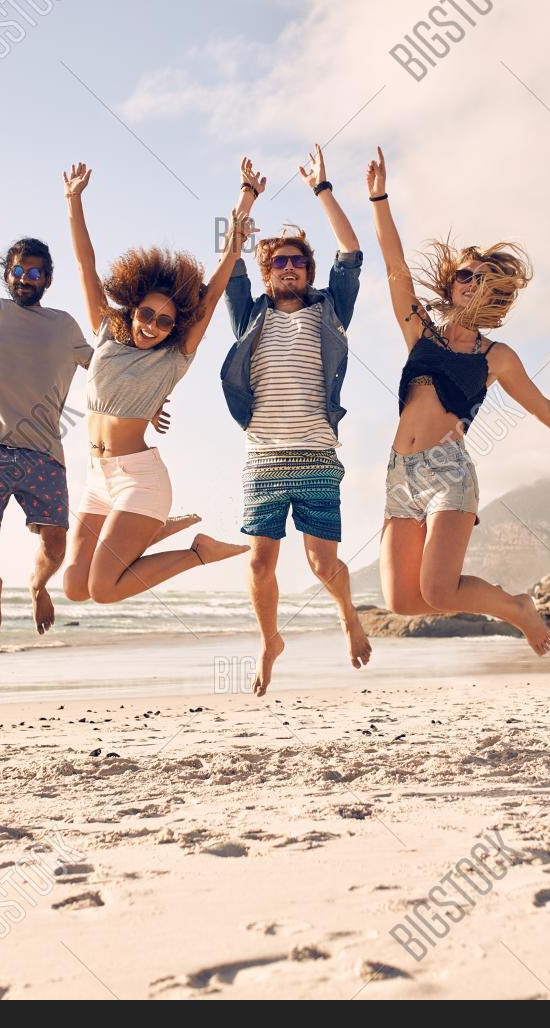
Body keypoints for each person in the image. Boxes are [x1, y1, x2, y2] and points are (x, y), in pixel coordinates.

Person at [364, 147, 550, 654]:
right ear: (452, 284)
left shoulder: (495, 357)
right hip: (399, 472)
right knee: (403, 602)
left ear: (493, 293)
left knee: (438, 590)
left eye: (481, 278)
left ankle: (516, 608)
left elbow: (541, 407)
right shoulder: (420, 334)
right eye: (464, 275)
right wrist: (379, 198)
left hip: (448, 472)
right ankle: (512, 602)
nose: (470, 283)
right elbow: (394, 265)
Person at [0, 182, 198, 637]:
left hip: (44, 454)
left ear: (47, 280)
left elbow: (116, 375)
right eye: (18, 271)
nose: (25, 279)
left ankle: (37, 586)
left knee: (55, 547)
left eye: (35, 274)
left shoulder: (65, 325)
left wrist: (148, 406)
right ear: (8, 274)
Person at [58, 162, 251, 605]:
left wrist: (244, 199)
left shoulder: (173, 358)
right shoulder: (106, 331)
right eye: (146, 314)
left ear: (174, 327)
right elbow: (85, 263)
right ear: (132, 308)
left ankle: (198, 553)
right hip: (96, 477)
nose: (153, 326)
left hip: (139, 481)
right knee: (74, 587)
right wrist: (73, 200)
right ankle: (153, 530)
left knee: (103, 589)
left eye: (165, 321)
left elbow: (220, 276)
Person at [221, 149, 371, 695]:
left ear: (308, 271)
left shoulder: (331, 310)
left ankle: (348, 615)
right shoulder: (248, 314)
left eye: (297, 262)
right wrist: (247, 197)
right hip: (262, 458)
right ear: (268, 274)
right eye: (279, 262)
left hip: (316, 456)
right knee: (261, 564)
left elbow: (352, 251)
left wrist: (323, 187)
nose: (289, 268)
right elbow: (228, 254)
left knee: (320, 564)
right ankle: (268, 642)